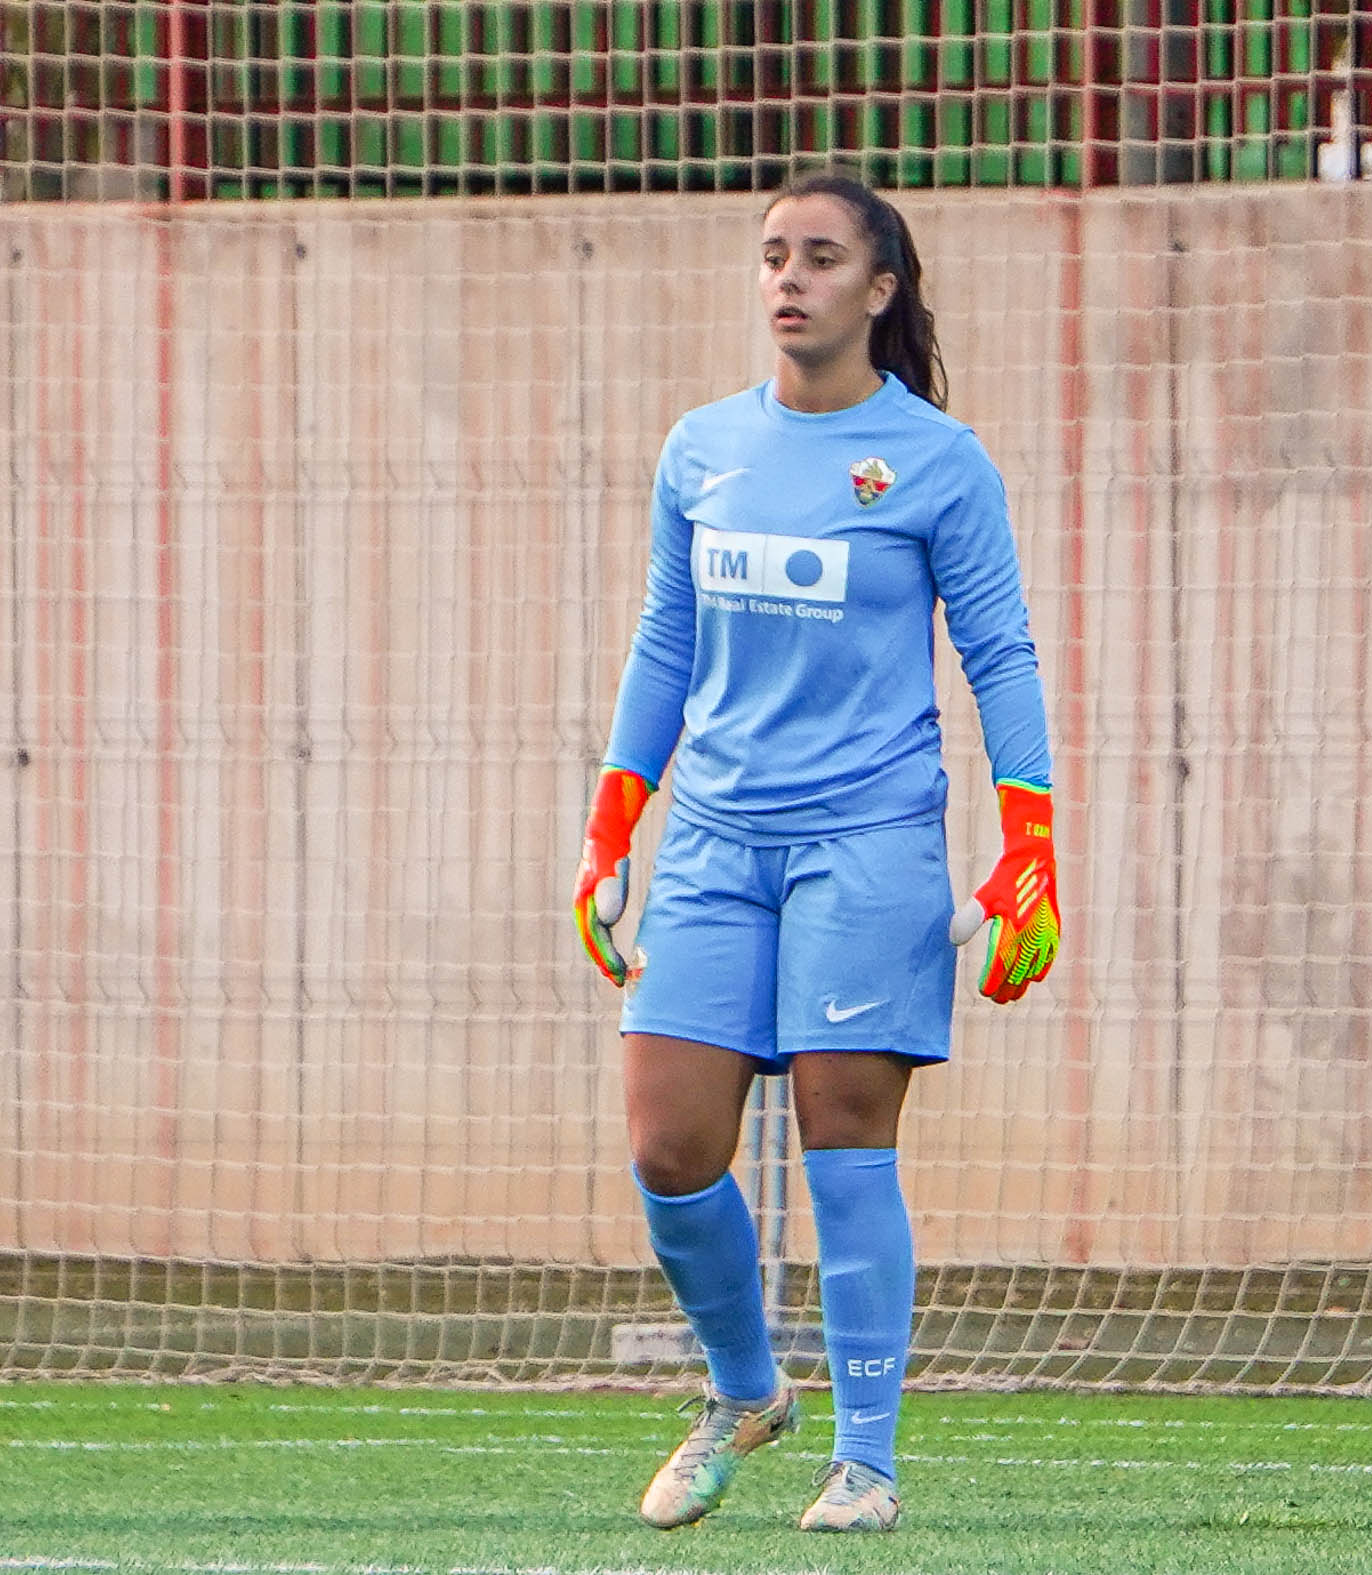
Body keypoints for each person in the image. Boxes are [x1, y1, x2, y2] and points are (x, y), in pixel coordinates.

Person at [571, 168, 1060, 1535]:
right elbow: (666, 643)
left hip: (869, 842)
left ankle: (867, 1462)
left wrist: (1031, 840)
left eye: (821, 257)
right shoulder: (702, 448)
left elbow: (999, 652)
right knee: (669, 1147)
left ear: (878, 289)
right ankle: (742, 1393)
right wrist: (613, 824)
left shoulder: (937, 462)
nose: (789, 278)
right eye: (773, 255)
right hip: (715, 841)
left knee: (848, 1134)